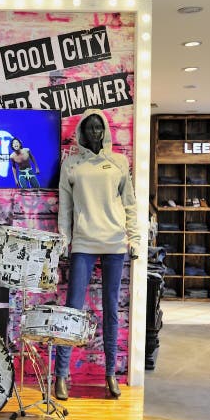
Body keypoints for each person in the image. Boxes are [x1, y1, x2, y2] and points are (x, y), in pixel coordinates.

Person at [55, 109, 139, 401]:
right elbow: (64, 208)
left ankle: (110, 375)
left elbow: (129, 203)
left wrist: (135, 239)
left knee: (112, 310)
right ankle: (62, 375)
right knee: (72, 309)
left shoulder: (118, 162)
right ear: (82, 131)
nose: (95, 133)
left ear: (105, 131)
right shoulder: (72, 164)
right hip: (83, 242)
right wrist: (63, 241)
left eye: (99, 128)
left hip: (115, 242)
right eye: (90, 128)